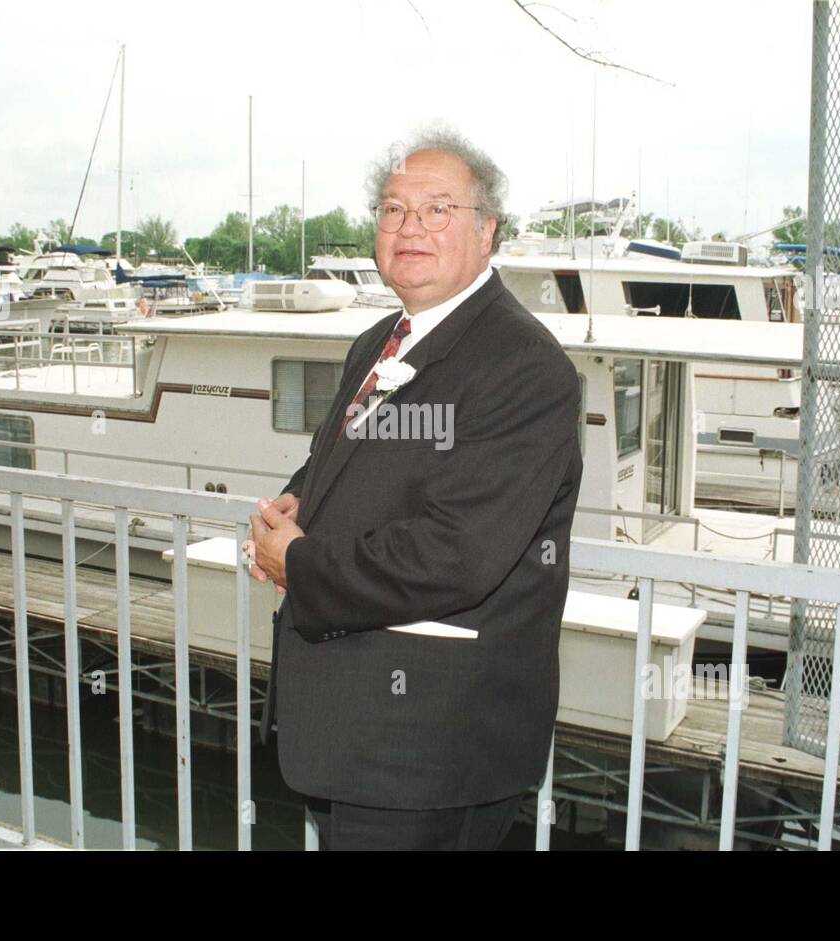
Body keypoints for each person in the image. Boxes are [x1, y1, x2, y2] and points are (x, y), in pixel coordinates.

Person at [246, 127, 583, 850]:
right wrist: (297, 503)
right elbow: (345, 462)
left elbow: (456, 553)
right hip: (348, 735)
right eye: (393, 210)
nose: (410, 228)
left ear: (486, 232)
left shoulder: (526, 367)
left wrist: (297, 563)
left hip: (427, 749)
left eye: (438, 210)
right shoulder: (377, 342)